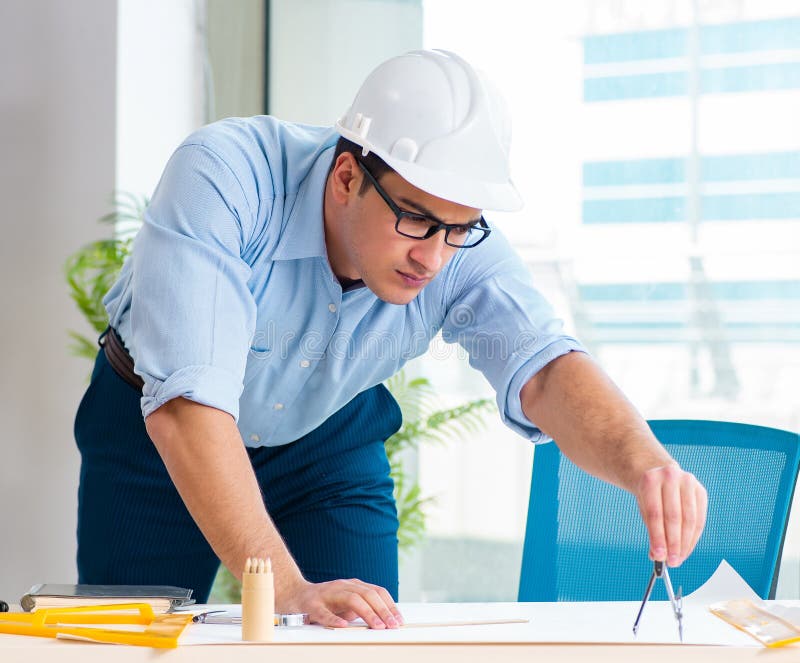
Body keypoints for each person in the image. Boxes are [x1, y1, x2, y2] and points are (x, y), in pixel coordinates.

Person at [74, 50, 707, 629]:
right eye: (414, 219)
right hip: (160, 428)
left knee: (361, 634)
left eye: (459, 229)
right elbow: (189, 404)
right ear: (346, 177)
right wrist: (285, 588)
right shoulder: (226, 175)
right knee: (130, 640)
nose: (432, 257)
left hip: (326, 434)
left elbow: (543, 369)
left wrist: (646, 463)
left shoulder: (454, 244)